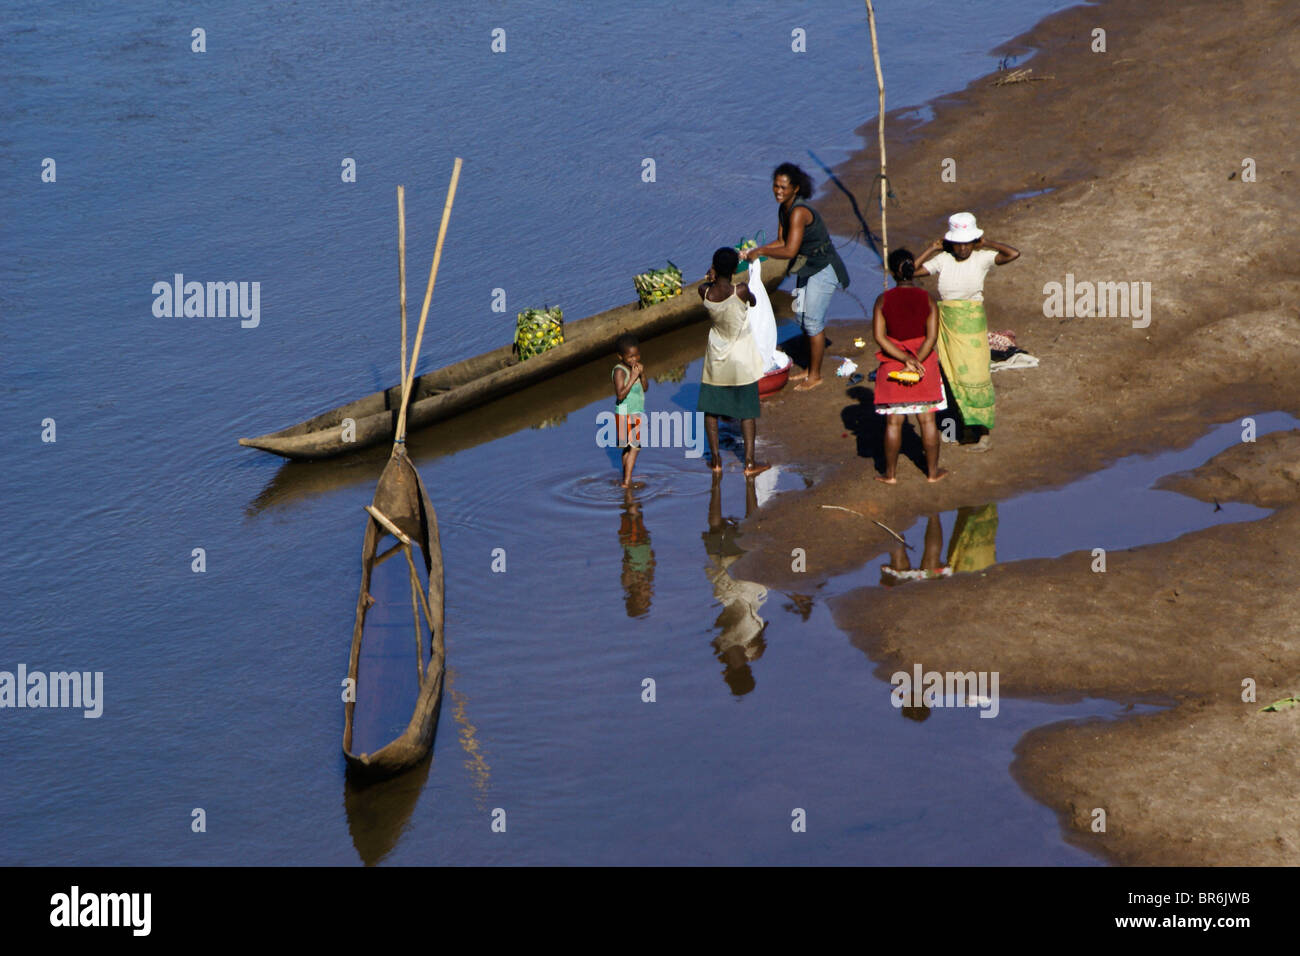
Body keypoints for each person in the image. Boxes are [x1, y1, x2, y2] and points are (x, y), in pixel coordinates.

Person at [912, 212, 1018, 451]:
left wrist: (987, 243)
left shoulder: (982, 258)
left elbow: (1013, 254)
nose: (962, 249)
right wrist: (931, 249)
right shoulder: (943, 260)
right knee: (953, 376)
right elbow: (909, 272)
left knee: (976, 377)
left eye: (967, 243)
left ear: (974, 241)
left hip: (971, 325)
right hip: (948, 324)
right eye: (958, 244)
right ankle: (966, 428)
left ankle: (983, 433)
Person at [744, 162, 850, 391]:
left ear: (796, 189)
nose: (778, 191)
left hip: (824, 267)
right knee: (802, 317)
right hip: (807, 266)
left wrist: (761, 251)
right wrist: (754, 252)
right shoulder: (784, 208)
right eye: (775, 186)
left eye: (783, 187)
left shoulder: (800, 212)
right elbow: (781, 242)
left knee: (812, 322)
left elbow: (790, 251)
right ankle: (808, 367)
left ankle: (815, 375)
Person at [872, 248, 948, 484]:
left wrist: (905, 360)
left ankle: (891, 474)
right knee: (927, 420)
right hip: (924, 364)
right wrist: (916, 361)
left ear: (893, 272)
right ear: (911, 271)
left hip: (893, 363)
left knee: (894, 422)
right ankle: (932, 473)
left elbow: (880, 337)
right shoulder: (928, 299)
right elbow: (931, 337)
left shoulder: (883, 299)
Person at [698, 247, 770, 476]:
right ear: (733, 271)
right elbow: (755, 302)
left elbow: (708, 284)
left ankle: (716, 460)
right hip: (741, 356)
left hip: (717, 355)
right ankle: (749, 463)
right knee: (747, 411)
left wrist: (711, 276)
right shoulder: (741, 291)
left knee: (711, 410)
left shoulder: (704, 292)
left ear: (713, 268)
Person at [612, 334, 648, 487]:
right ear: (620, 356)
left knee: (628, 448)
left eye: (637, 355)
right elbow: (620, 394)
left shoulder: (635, 368)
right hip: (626, 412)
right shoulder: (620, 371)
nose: (634, 359)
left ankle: (625, 477)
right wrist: (633, 377)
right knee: (635, 447)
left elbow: (645, 388)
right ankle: (627, 481)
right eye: (630, 357)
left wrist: (642, 374)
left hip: (635, 411)